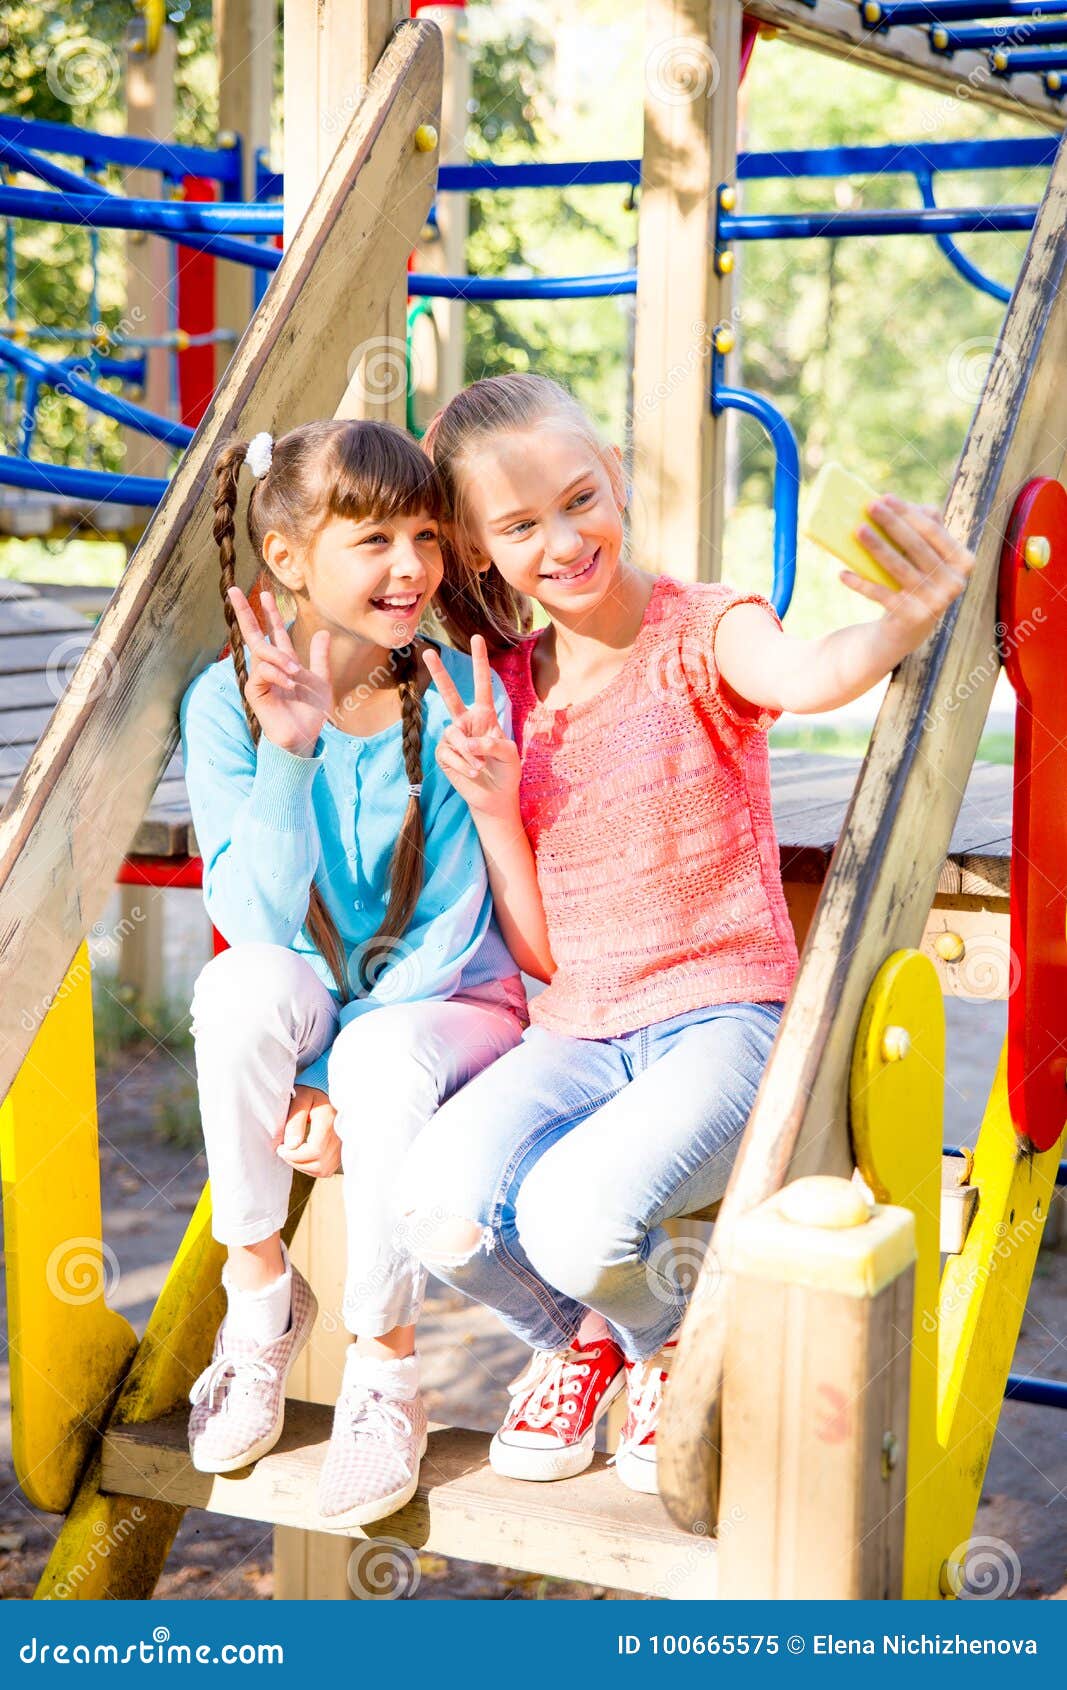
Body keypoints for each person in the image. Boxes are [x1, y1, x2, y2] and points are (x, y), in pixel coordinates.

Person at [399, 372, 975, 1494]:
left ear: (613, 477)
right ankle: (583, 1341)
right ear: (476, 549)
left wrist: (899, 620)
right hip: (575, 1034)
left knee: (570, 1219)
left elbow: (809, 674)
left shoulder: (706, 627)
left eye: (578, 498)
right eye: (519, 525)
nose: (562, 539)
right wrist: (491, 804)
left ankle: (662, 1343)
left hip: (721, 1020)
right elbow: (537, 958)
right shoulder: (505, 690)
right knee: (435, 1207)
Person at [179, 417, 544, 1527]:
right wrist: (288, 750)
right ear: (288, 557)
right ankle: (258, 1300)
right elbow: (250, 921)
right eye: (373, 538)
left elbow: (445, 926)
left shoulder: (448, 696)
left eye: (425, 537)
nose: (410, 567)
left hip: (449, 1006)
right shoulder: (227, 704)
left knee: (382, 1055)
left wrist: (331, 1080)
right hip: (322, 1001)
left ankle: (385, 1369)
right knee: (233, 994)